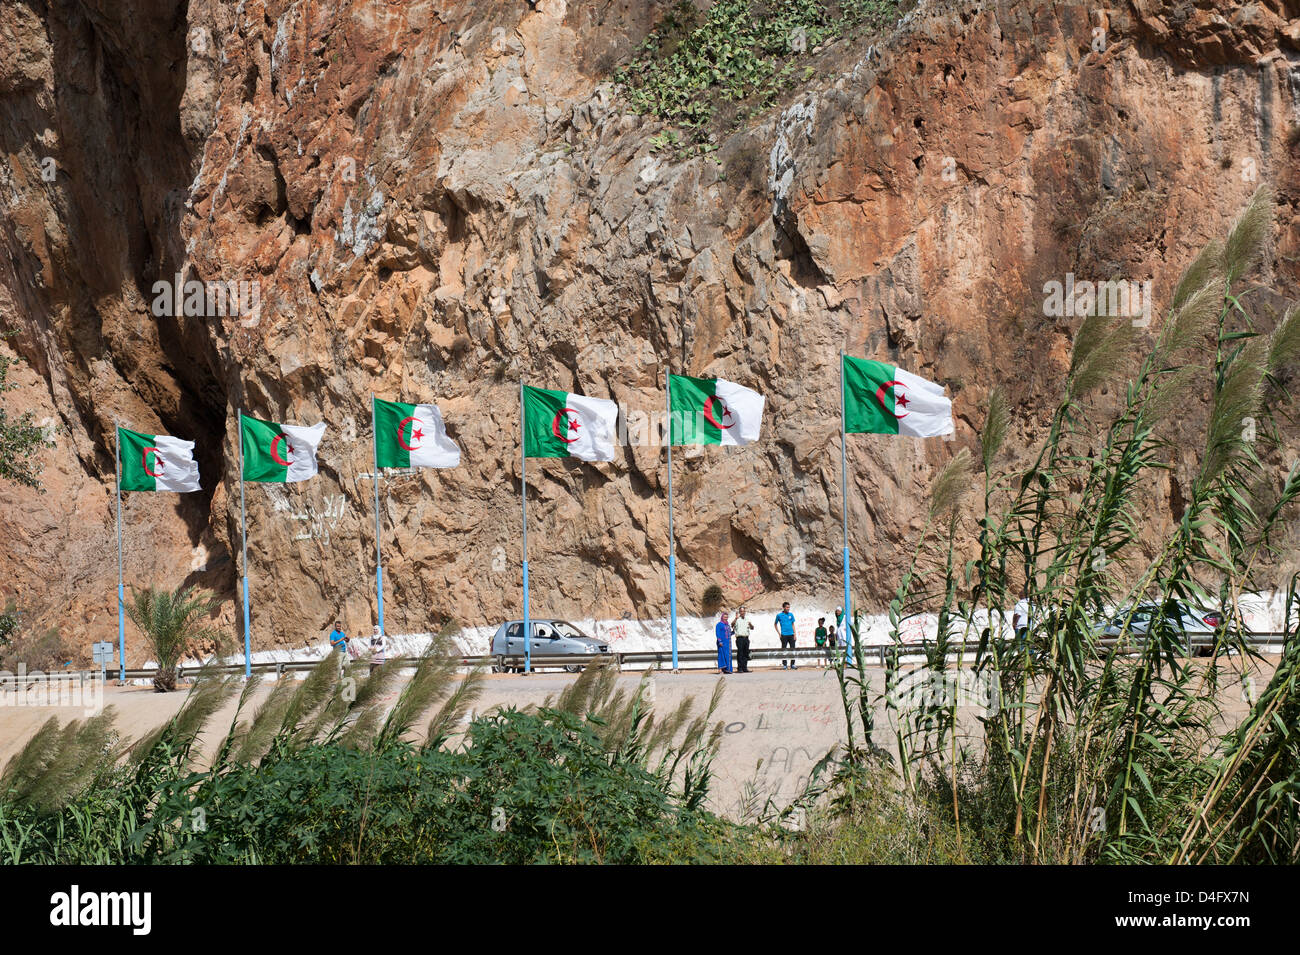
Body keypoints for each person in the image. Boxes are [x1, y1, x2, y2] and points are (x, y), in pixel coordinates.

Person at [775, 601, 796, 669]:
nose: (788, 608)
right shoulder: (779, 615)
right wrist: (779, 633)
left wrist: (795, 634)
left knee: (792, 649)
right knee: (784, 650)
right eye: (787, 607)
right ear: (783, 607)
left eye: (789, 607)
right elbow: (775, 624)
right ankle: (784, 664)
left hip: (791, 634)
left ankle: (792, 664)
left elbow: (793, 624)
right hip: (784, 635)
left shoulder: (791, 615)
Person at [731, 606, 753, 673]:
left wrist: (751, 625)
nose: (742, 612)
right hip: (739, 638)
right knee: (740, 653)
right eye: (741, 611)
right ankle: (739, 668)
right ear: (739, 612)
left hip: (746, 638)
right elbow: (732, 625)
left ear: (745, 612)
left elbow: (752, 628)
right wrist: (735, 618)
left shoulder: (747, 619)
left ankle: (745, 667)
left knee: (746, 653)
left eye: (743, 611)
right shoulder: (737, 619)